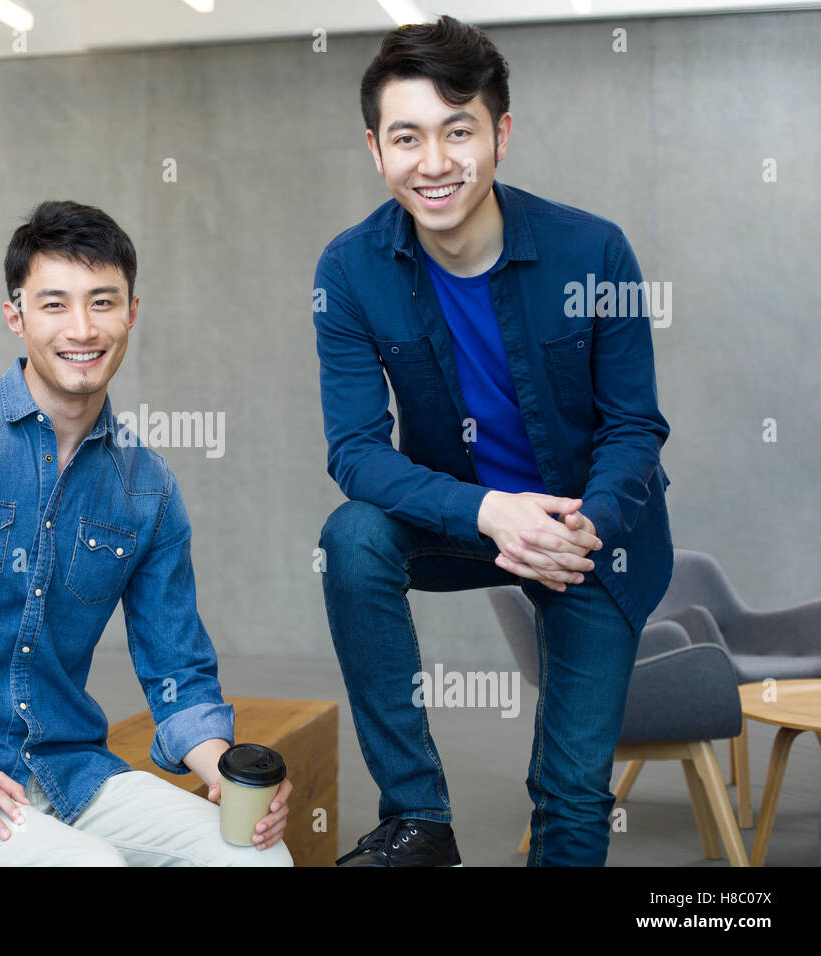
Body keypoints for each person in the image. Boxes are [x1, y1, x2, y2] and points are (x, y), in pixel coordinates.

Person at [0, 200, 293, 866]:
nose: (81, 328)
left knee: (257, 858)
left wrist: (222, 766)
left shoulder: (146, 488)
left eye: (103, 303)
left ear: (131, 313)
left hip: (72, 769)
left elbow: (176, 666)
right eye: (54, 305)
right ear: (16, 317)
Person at [313, 17, 672, 866]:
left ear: (500, 134)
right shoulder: (351, 270)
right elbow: (357, 451)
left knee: (572, 793)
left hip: (592, 535)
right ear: (376, 148)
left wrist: (582, 525)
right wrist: (490, 512)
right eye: (407, 136)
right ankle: (418, 820)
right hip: (464, 521)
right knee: (351, 538)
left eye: (457, 130)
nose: (433, 162)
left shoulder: (595, 250)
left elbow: (634, 426)